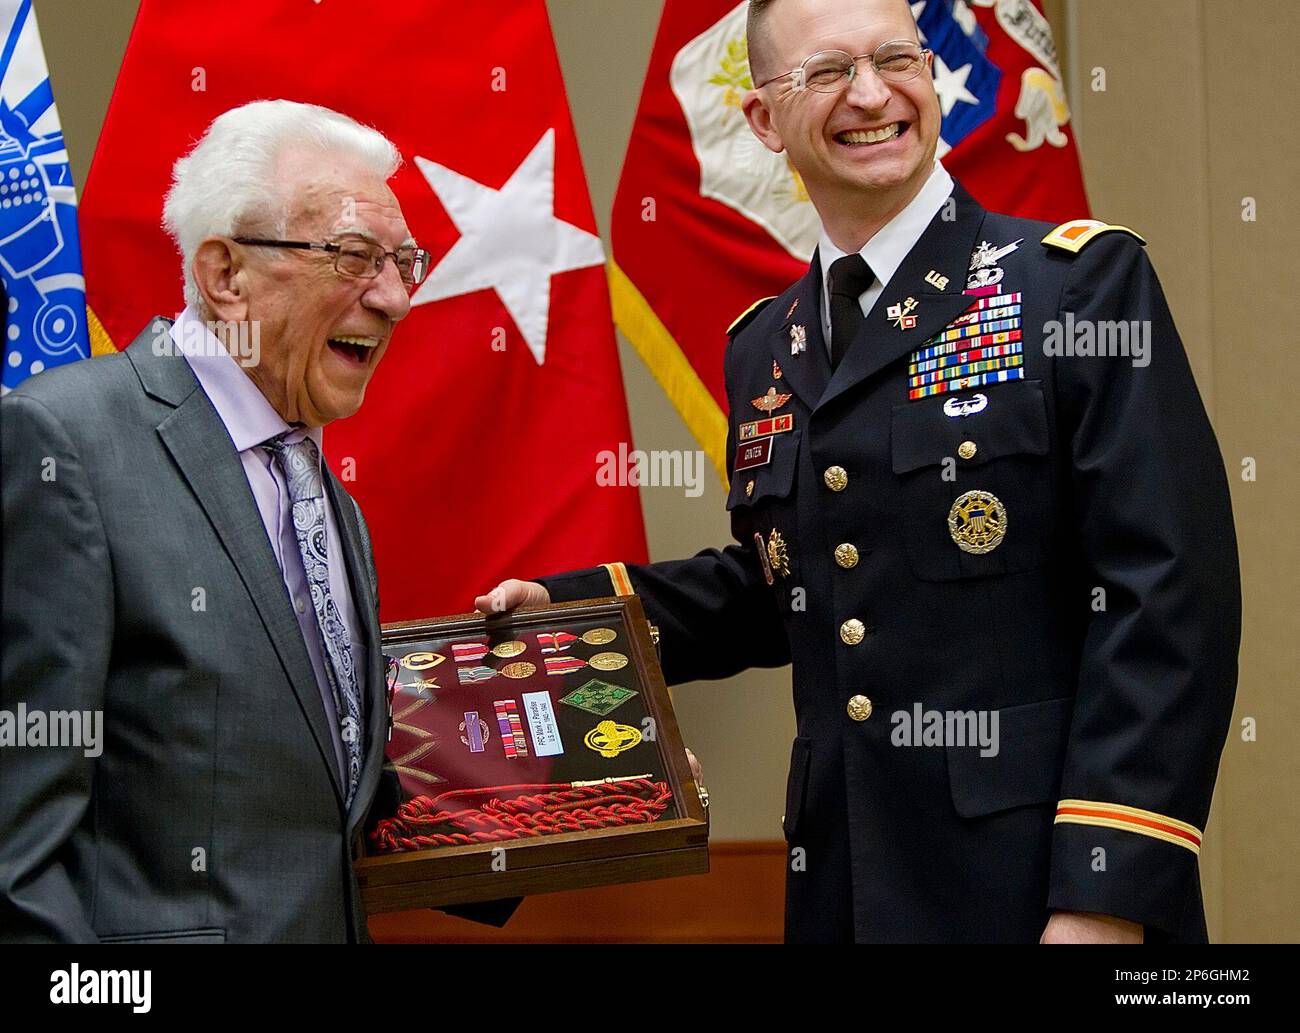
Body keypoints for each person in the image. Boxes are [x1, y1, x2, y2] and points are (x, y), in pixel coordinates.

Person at [476, 0, 1240, 943]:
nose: (873, 93)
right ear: (761, 120)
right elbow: (797, 578)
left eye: (896, 58)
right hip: (842, 879)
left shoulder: (1074, 287)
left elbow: (1167, 596)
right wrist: (583, 611)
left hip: (1038, 887)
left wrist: (1106, 893)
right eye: (828, 71)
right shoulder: (764, 345)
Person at [0, 100, 426, 942]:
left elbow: (329, 797)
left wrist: (571, 789)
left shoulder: (325, 497)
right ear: (226, 275)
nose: (397, 298)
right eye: (353, 256)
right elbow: (17, 857)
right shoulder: (68, 445)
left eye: (406, 261)